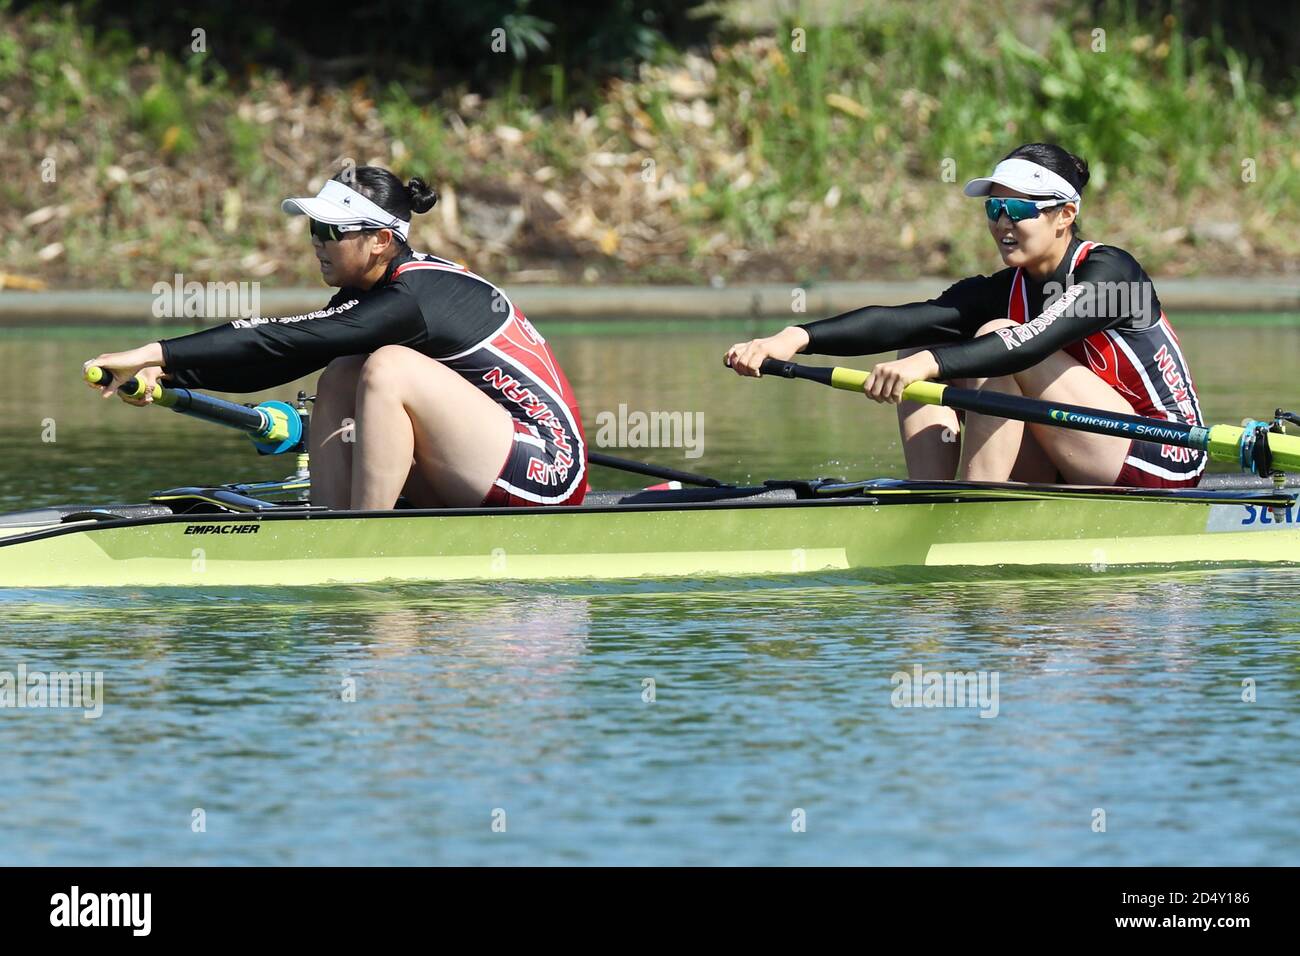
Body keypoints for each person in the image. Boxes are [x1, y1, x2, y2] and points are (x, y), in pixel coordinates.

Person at [85, 166, 587, 510]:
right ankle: (329, 521)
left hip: (545, 471)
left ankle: (362, 537)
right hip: (486, 459)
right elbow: (281, 357)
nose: (317, 242)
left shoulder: (412, 297)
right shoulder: (372, 291)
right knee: (344, 370)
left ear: (380, 241)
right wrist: (168, 369)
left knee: (387, 368)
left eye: (332, 230)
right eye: (313, 227)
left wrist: (156, 350)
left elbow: (279, 340)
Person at [725, 143, 1205, 488]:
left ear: (1066, 215)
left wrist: (927, 367)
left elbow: (1032, 343)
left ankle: (974, 506)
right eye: (994, 208)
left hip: (1162, 452)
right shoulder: (1006, 288)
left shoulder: (1111, 274)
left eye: (1018, 208)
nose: (1002, 223)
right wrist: (793, 338)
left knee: (996, 339)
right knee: (920, 344)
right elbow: (905, 319)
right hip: (1082, 447)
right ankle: (931, 499)